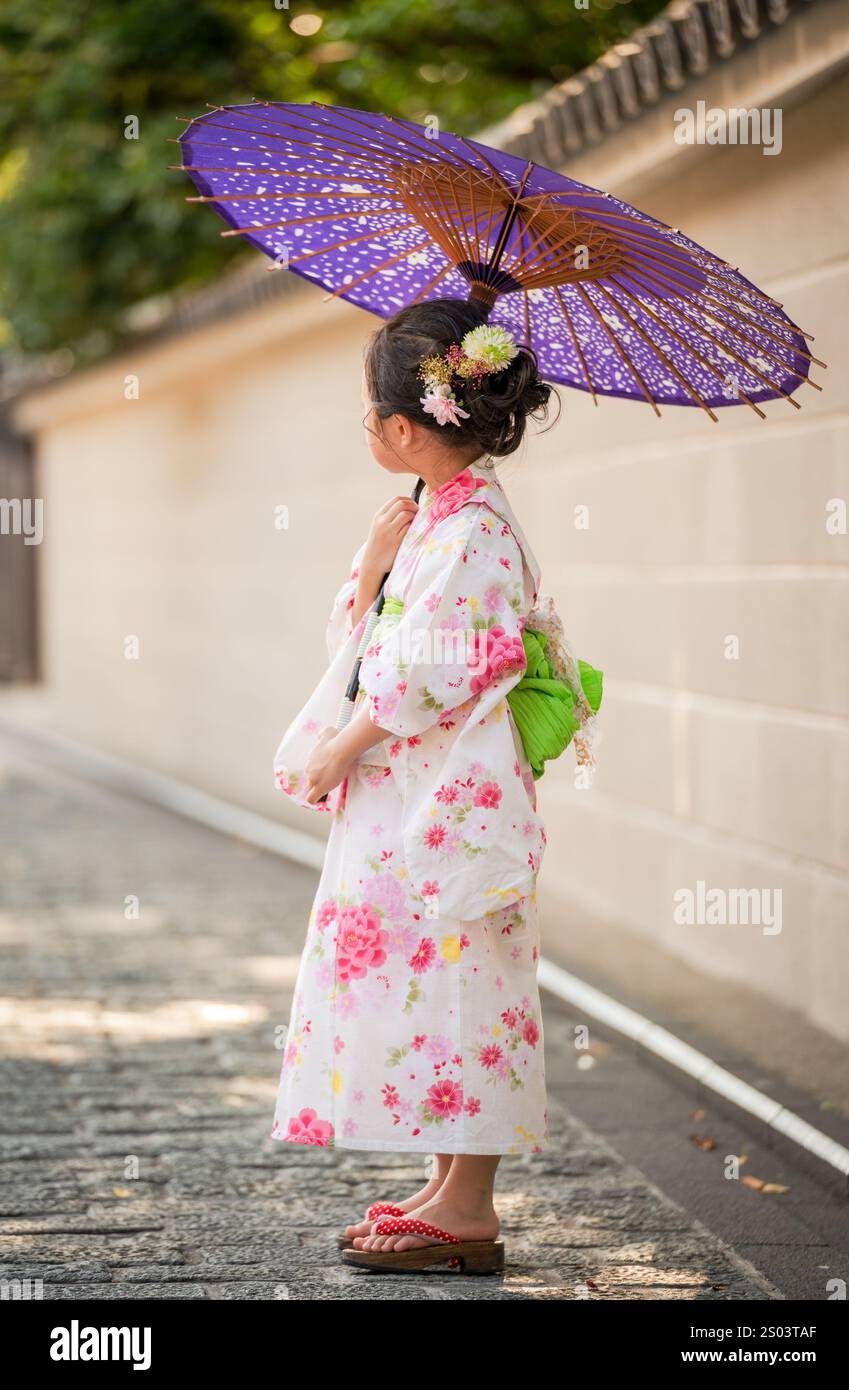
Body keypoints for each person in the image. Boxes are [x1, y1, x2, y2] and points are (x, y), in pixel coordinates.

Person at [270, 298, 595, 1274]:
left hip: (445, 796)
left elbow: (438, 667)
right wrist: (371, 569)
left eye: (369, 415)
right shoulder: (436, 519)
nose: (367, 429)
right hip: (411, 790)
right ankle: (448, 1182)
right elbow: (384, 643)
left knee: (466, 978)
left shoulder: (474, 527)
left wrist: (342, 744)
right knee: (432, 976)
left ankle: (469, 1208)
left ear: (405, 429)